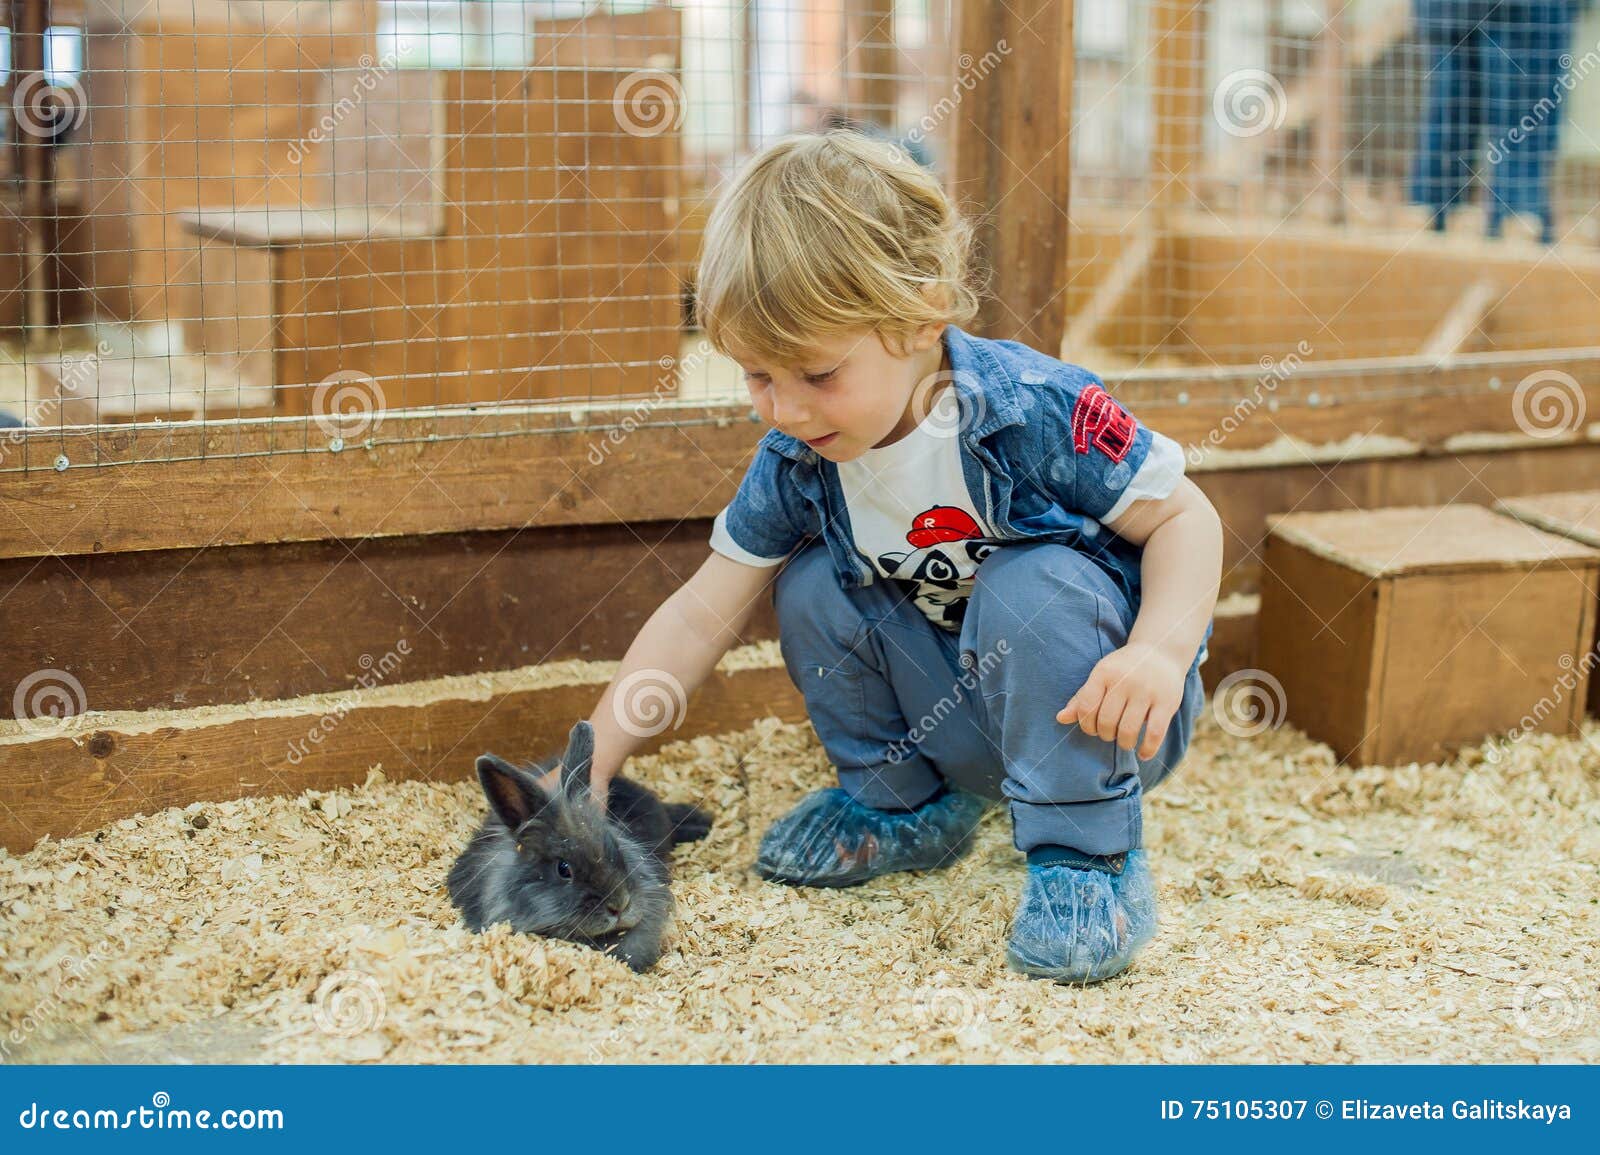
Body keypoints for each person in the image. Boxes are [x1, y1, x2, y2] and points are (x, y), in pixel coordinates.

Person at [581, 131, 1221, 983]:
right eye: (756, 376)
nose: (784, 409)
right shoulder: (799, 461)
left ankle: (1087, 860)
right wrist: (589, 764)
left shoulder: (1030, 408)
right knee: (808, 584)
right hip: (964, 716)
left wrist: (1160, 651)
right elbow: (702, 610)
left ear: (922, 313)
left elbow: (1186, 515)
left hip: (1109, 718)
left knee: (1031, 583)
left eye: (815, 372)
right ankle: (907, 806)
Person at [1410, 0, 1587, 243]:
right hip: (1528, 11)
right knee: (1524, 130)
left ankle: (1428, 226)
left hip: (1446, 9)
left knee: (1449, 121)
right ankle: (1517, 234)